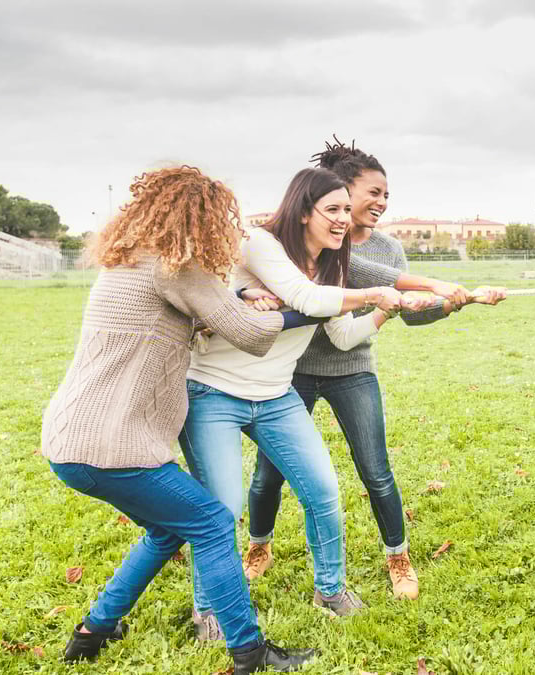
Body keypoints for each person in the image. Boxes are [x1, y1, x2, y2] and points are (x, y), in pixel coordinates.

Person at [41, 166, 318, 673]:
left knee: (167, 531)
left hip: (70, 444)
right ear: (201, 219)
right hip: (115, 449)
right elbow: (251, 336)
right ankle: (249, 652)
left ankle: (94, 631)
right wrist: (317, 307)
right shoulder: (179, 268)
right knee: (212, 522)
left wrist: (236, 295)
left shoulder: (128, 260)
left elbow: (180, 306)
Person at [244, 139, 506, 600]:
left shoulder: (386, 250)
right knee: (270, 473)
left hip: (353, 367)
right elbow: (367, 279)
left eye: (387, 195)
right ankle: (259, 545)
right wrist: (415, 286)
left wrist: (450, 304)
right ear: (337, 194)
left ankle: (398, 556)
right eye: (374, 192)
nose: (382, 203)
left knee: (376, 470)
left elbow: (404, 309)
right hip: (294, 371)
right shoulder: (311, 245)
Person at [178, 168, 428, 636]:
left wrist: (382, 312)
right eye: (330, 210)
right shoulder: (261, 245)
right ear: (302, 212)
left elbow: (342, 333)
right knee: (223, 504)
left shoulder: (332, 263)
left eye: (343, 211)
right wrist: (374, 291)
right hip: (214, 389)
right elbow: (303, 297)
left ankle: (330, 590)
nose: (341, 220)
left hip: (275, 394)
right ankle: (207, 608)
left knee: (324, 492)